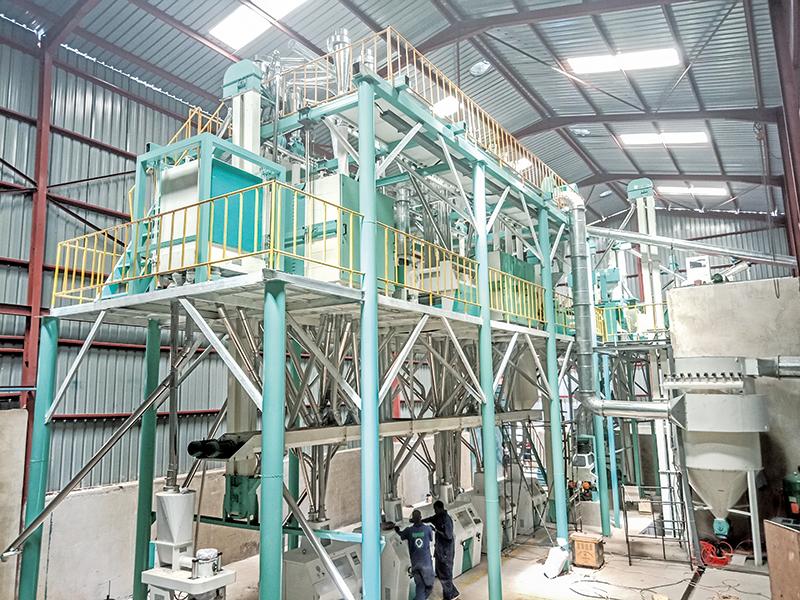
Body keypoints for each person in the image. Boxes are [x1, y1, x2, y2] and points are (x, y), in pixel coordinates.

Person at [423, 500, 460, 600]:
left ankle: (449, 596)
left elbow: (448, 535)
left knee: (445, 574)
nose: (434, 511)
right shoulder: (438, 516)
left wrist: (436, 530)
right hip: (440, 550)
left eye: (435, 509)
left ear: (440, 508)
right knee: (440, 572)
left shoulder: (446, 519)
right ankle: (453, 592)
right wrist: (419, 521)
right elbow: (430, 519)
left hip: (446, 552)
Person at [395, 509, 435, 599]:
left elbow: (401, 535)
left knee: (420, 586)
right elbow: (430, 539)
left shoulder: (409, 531)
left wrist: (397, 530)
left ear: (412, 519)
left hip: (416, 563)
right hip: (426, 563)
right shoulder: (427, 529)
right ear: (421, 517)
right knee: (429, 585)